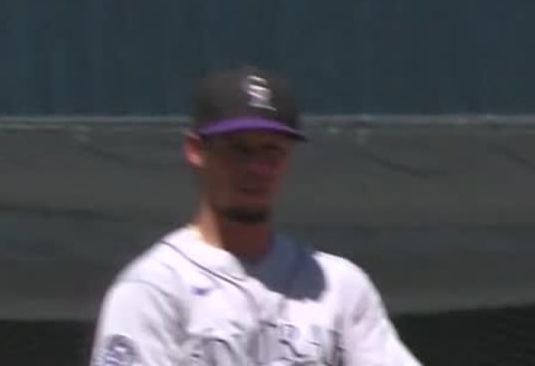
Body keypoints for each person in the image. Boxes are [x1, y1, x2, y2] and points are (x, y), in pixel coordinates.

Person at [87, 66, 422, 365]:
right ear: (196, 150)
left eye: (271, 151)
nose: (256, 167)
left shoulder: (338, 286)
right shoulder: (154, 288)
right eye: (238, 149)